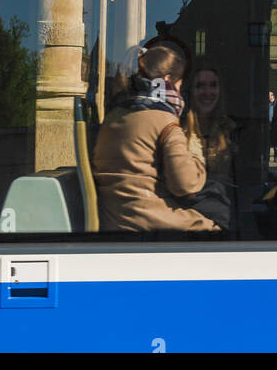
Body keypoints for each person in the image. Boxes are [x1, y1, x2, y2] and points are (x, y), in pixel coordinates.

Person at [92, 41, 221, 235]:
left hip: (113, 217)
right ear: (167, 80)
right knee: (219, 227)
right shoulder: (165, 120)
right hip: (147, 218)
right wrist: (197, 161)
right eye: (179, 85)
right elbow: (185, 184)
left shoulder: (114, 114)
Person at [182, 61, 238, 221]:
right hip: (186, 220)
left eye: (213, 85)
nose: (207, 92)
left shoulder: (231, 131)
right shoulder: (178, 131)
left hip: (225, 220)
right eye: (200, 86)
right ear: (190, 91)